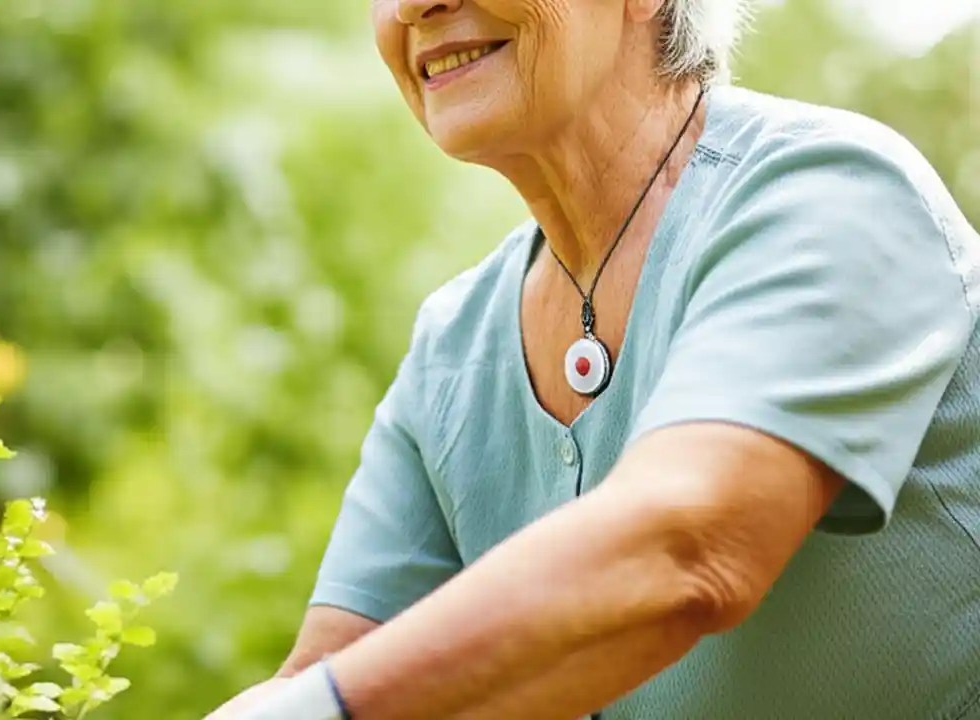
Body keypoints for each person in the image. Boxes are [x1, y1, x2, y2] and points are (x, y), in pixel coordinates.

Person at [208, 0, 980, 717]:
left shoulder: (828, 195)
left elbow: (687, 552)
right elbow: (330, 676)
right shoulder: (452, 346)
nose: (416, 6)